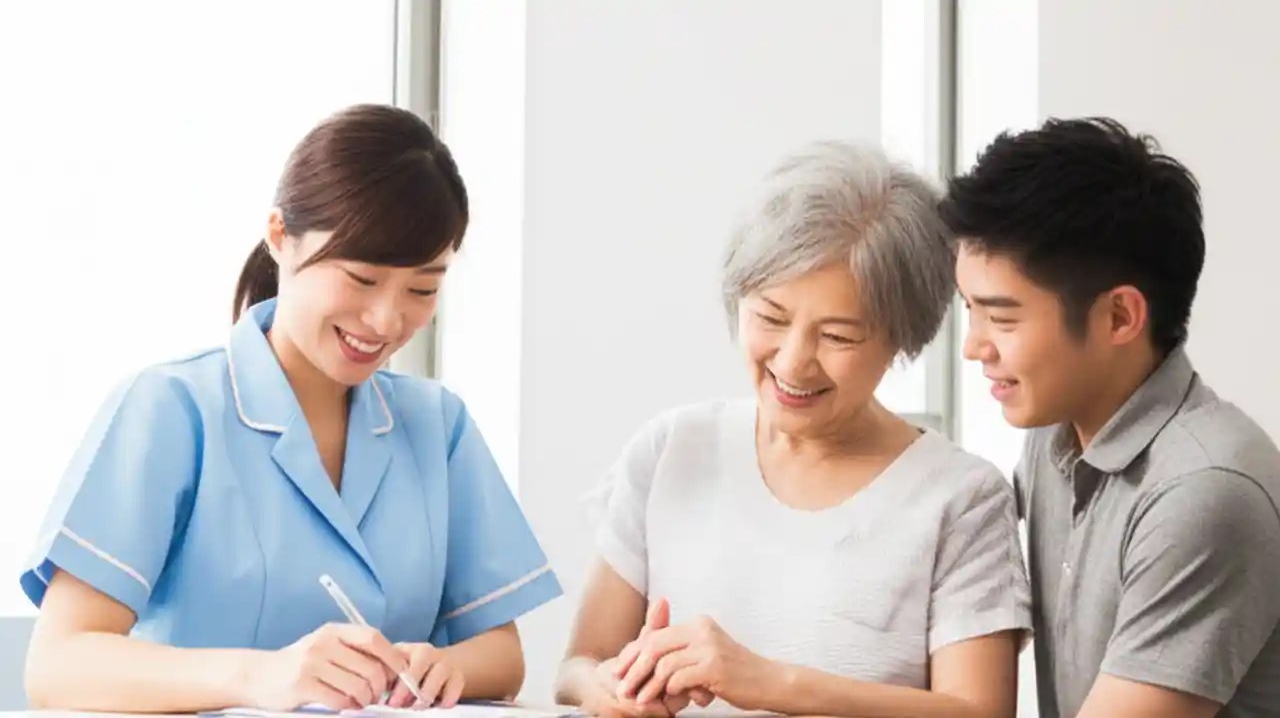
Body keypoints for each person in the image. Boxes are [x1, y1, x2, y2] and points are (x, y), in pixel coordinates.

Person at [20, 104, 561, 714]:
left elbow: (502, 656)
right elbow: (59, 663)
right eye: (361, 279)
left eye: (422, 289)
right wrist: (262, 677)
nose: (387, 320)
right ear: (281, 237)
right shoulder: (171, 409)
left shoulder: (439, 425)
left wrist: (441, 665)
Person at [555, 143, 1032, 718]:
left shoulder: (961, 498)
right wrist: (607, 689)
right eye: (771, 318)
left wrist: (769, 683)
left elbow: (981, 714)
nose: (793, 361)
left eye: (838, 337)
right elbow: (577, 666)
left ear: (903, 339)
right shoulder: (671, 450)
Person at [944, 117, 1280, 718]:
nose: (973, 345)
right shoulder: (1056, 433)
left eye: (1002, 318)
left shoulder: (1204, 492)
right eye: (969, 309)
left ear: (1121, 317)